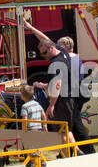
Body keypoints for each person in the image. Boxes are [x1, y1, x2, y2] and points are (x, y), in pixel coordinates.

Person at [25, 23, 92, 154]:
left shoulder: (55, 63)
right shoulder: (62, 53)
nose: (43, 56)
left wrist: (52, 105)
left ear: (51, 49)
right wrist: (31, 28)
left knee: (62, 133)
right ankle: (78, 152)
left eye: (44, 53)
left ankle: (69, 160)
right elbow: (44, 38)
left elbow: (57, 85)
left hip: (62, 101)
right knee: (68, 129)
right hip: (70, 99)